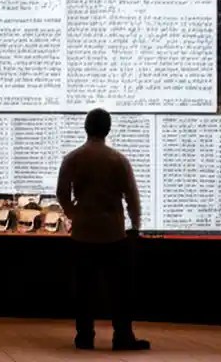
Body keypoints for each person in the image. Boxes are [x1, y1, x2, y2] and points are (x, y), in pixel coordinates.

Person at [55, 108, 151, 351]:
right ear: (108, 129)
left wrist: (73, 213)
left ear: (86, 128)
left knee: (84, 289)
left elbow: (62, 193)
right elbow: (132, 196)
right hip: (112, 233)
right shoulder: (117, 159)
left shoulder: (73, 158)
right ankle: (122, 337)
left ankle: (84, 337)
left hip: (83, 232)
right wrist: (136, 225)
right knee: (120, 290)